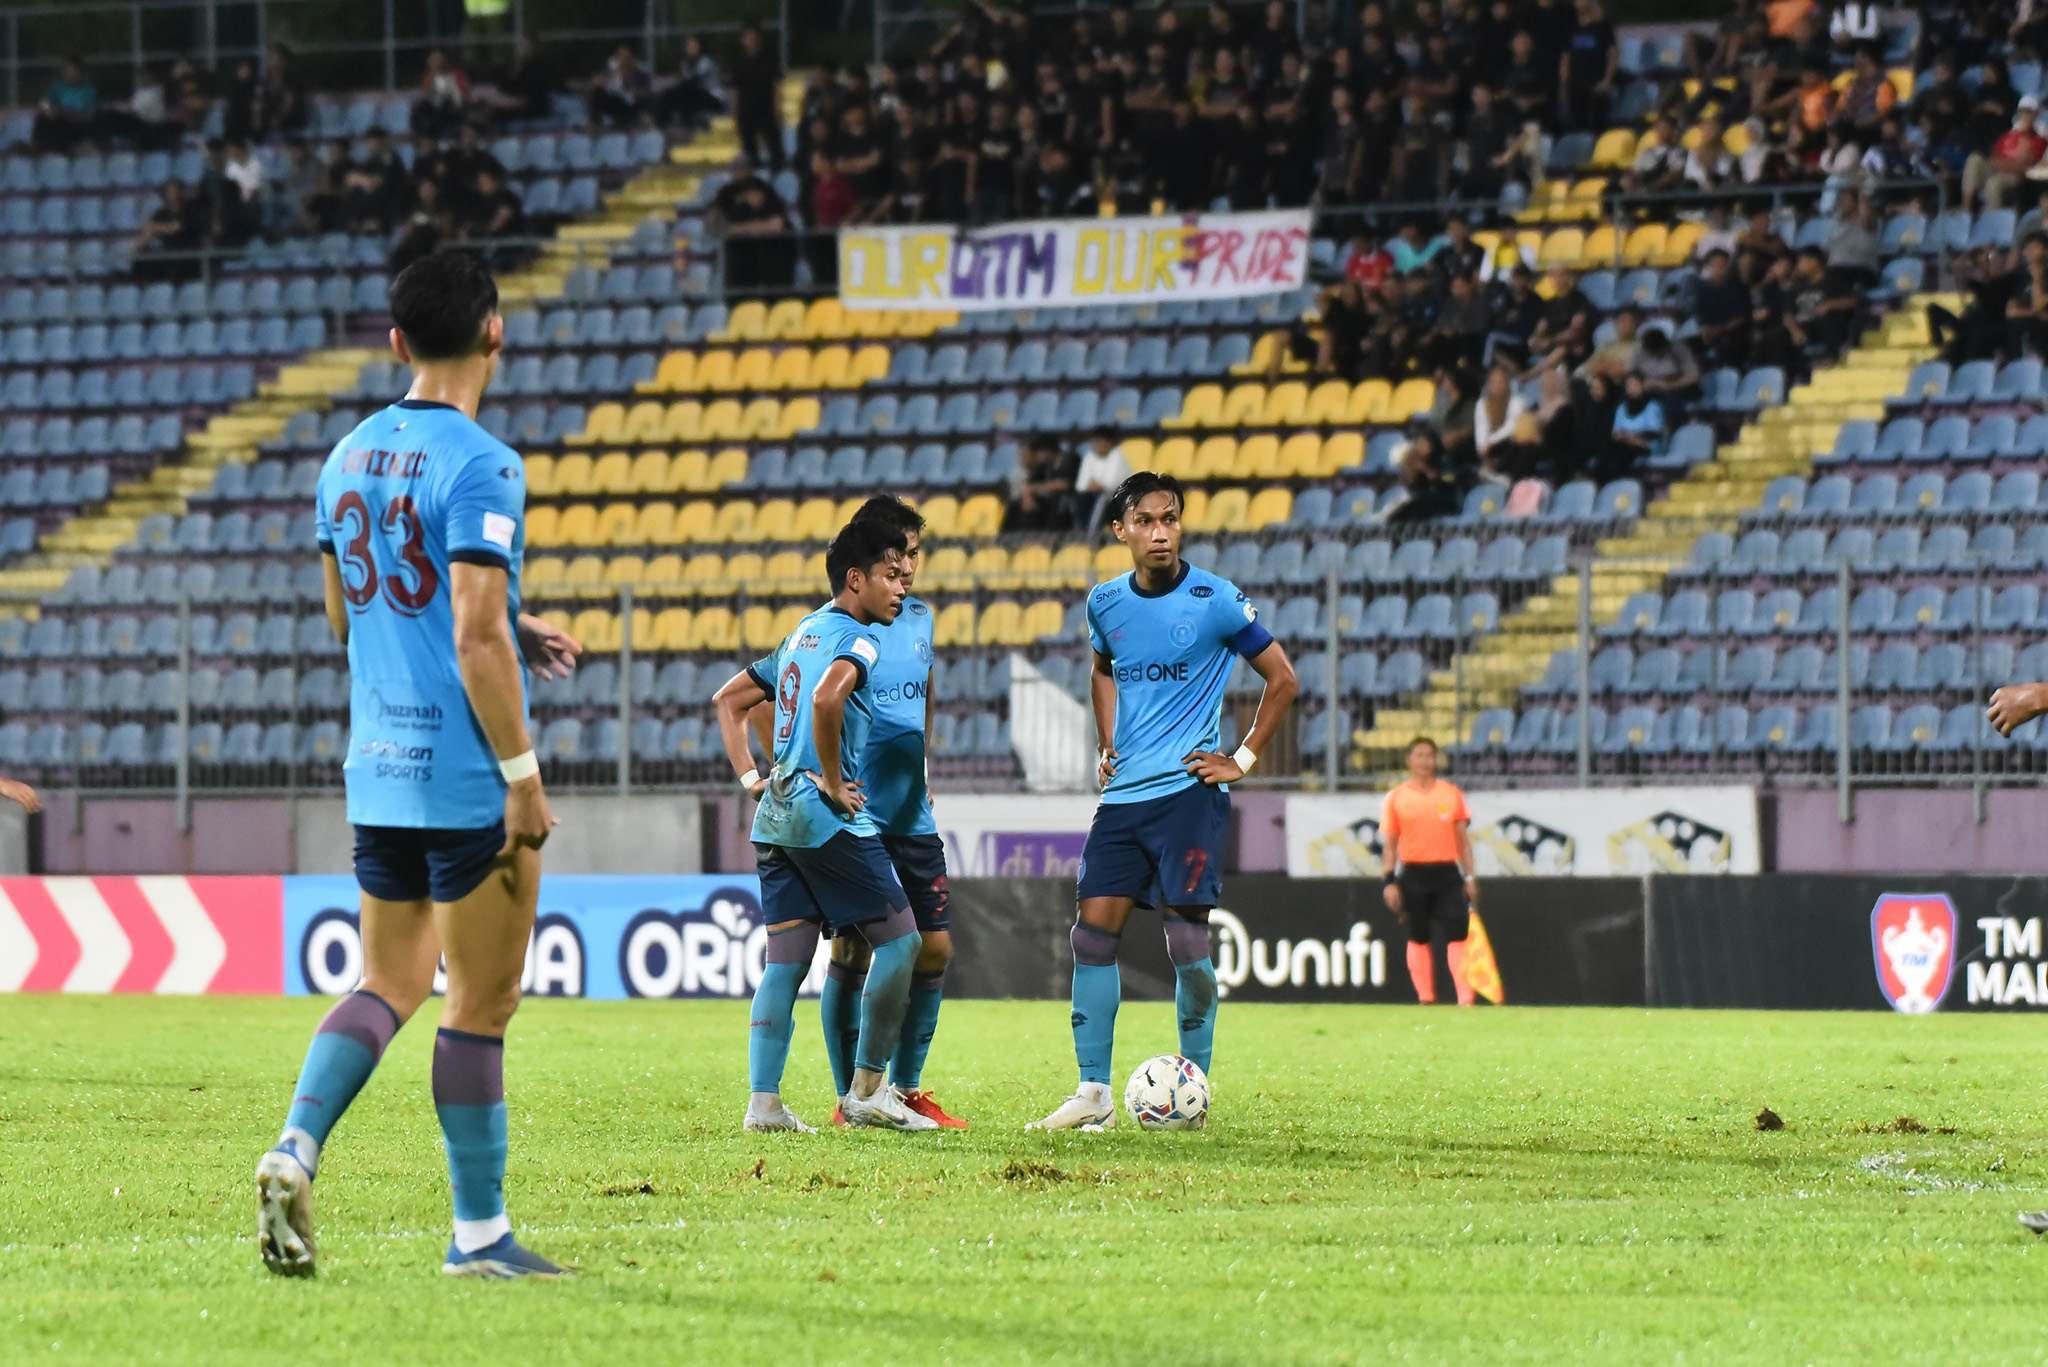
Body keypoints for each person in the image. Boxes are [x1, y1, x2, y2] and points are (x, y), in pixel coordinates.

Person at [255, 250, 584, 1280]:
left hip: (378, 764)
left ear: (396, 341)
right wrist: (523, 774)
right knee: (477, 1004)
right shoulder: (483, 460)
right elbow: (474, 637)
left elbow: (346, 610)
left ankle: (293, 1146)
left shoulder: (343, 454)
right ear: (495, 332)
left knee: (386, 978)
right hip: (464, 775)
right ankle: (478, 1237)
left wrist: (501, 616)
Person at [1028, 472, 1299, 1131]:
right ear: (1120, 529)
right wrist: (1106, 741)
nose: (1160, 532)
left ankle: (1193, 1084)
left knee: (1184, 942)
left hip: (1188, 793)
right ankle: (1093, 1093)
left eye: (1170, 519)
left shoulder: (1215, 599)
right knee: (1090, 936)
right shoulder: (1105, 603)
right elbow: (1101, 666)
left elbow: (1283, 679)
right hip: (1123, 798)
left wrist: (1243, 757)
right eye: (1146, 521)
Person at [710, 517, 936, 1133]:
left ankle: (765, 1105)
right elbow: (828, 699)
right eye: (890, 575)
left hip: (775, 814)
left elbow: (730, 701)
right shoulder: (860, 639)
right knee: (902, 942)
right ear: (856, 579)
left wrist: (752, 776)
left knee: (785, 963)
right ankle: (867, 1091)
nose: (902, 585)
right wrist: (834, 780)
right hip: (824, 819)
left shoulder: (801, 632)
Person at [805, 496, 964, 1130]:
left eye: (915, 557)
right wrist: (811, 773)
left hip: (911, 812)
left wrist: (921, 763)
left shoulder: (921, 617)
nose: (908, 569)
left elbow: (924, 694)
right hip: (858, 812)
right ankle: (852, 1095)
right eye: (897, 556)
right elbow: (779, 697)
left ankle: (905, 1087)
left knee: (935, 948)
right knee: (852, 954)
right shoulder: (832, 626)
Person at [1380, 737, 1479, 1006]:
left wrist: (1469, 876)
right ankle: (1426, 997)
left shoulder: (1450, 794)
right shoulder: (1397, 798)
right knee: (1418, 934)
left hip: (1447, 872)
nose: (1424, 761)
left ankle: (1465, 997)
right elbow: (1390, 844)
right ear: (1409, 760)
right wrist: (1389, 880)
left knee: (1458, 932)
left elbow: (1463, 841)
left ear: (1436, 760)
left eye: (1429, 755)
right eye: (1419, 755)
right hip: (1413, 873)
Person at [1072, 427, 1133, 531]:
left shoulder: (1117, 456)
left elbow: (1111, 484)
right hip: (1094, 493)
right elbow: (1081, 485)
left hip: (1118, 495)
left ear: (1109, 443)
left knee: (1102, 499)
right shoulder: (1090, 456)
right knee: (1079, 499)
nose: (1096, 445)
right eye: (1094, 442)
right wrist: (1093, 486)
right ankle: (1080, 530)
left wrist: (1093, 485)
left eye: (1099, 441)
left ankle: (1092, 532)